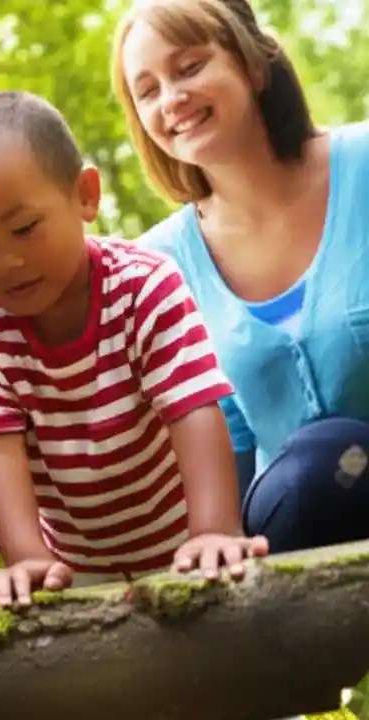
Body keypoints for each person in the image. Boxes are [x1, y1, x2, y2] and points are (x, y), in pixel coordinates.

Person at [0, 91, 268, 605]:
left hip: (182, 543)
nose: (6, 262)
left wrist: (214, 529)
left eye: (23, 229)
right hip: (73, 567)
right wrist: (26, 558)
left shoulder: (145, 286)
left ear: (84, 195)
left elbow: (193, 409)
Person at [113, 0, 369, 553]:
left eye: (189, 68)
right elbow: (215, 444)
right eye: (149, 90)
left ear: (252, 65)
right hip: (290, 529)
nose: (173, 99)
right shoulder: (156, 266)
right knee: (318, 471)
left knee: (337, 455)